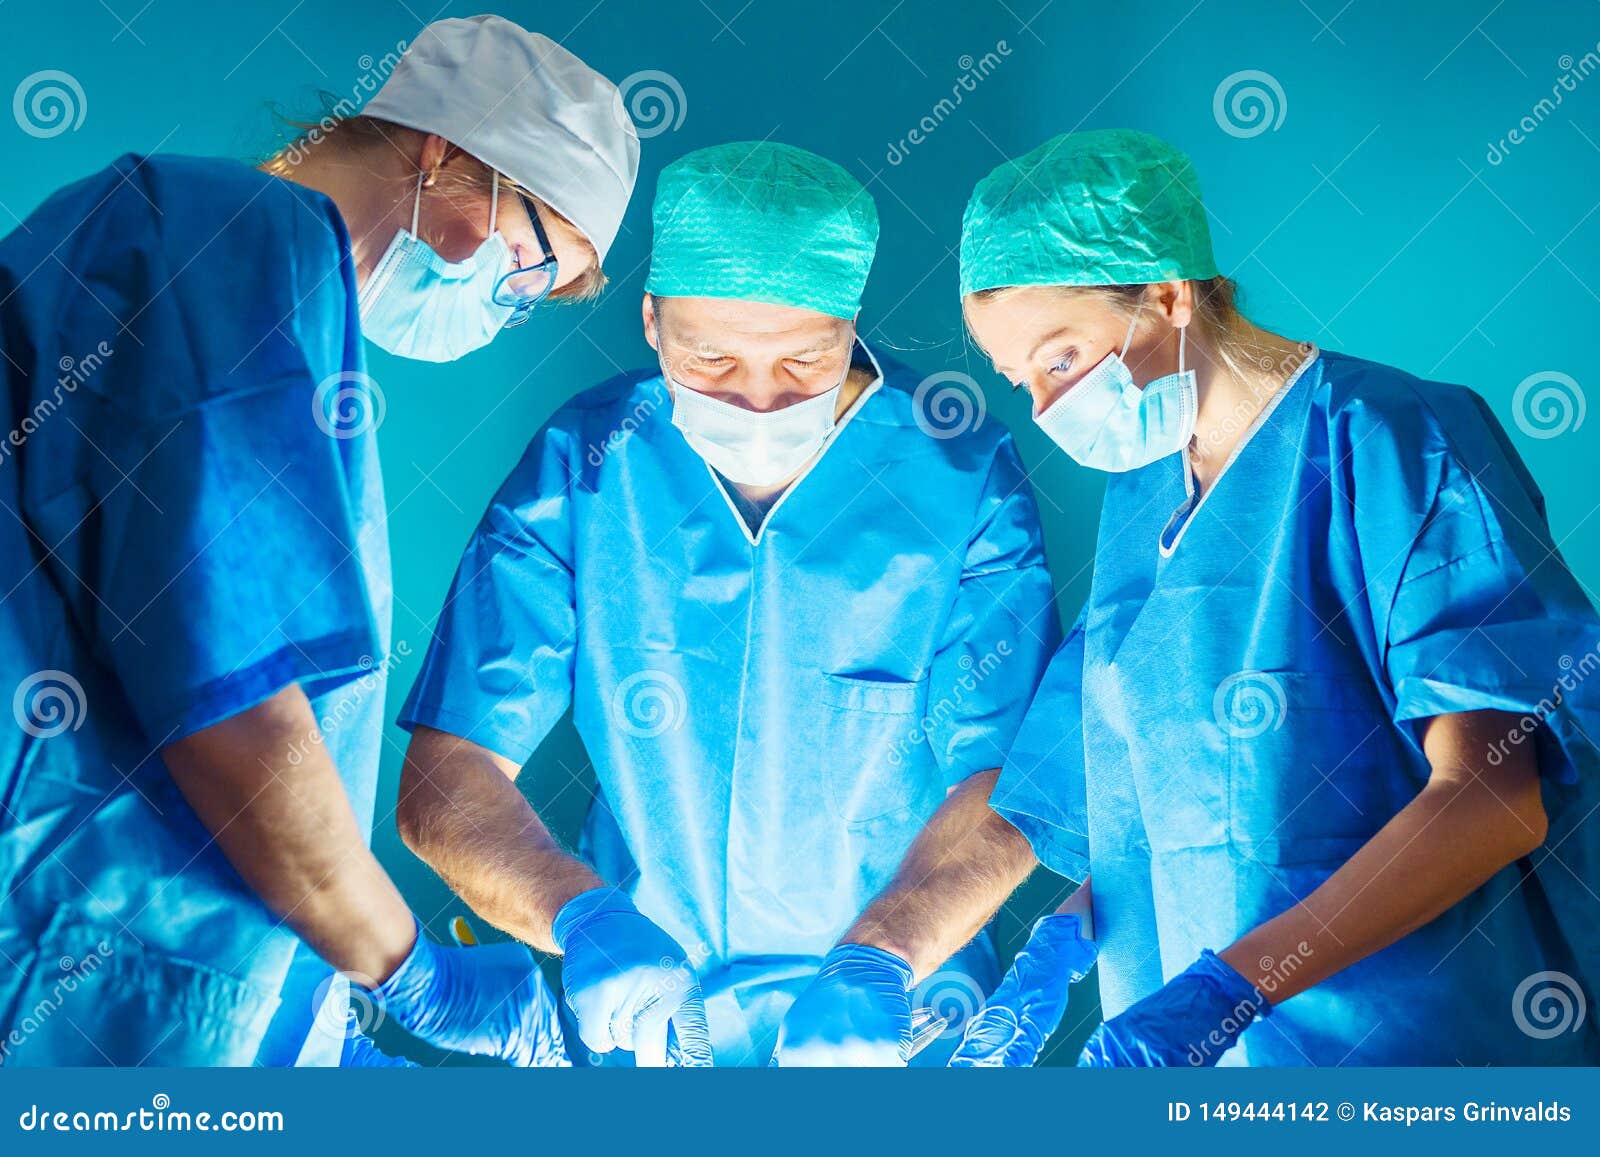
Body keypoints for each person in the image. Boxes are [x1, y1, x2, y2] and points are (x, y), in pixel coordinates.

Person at [0, 14, 639, 1067]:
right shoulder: (238, 238)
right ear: (445, 146)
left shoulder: (276, 319)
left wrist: (318, 1023)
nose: (506, 300)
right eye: (530, 263)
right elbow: (235, 714)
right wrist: (409, 971)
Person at [935, 127, 1599, 1066]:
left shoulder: (1390, 438)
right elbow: (1201, 811)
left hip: (1416, 1050)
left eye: (1061, 358)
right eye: (1021, 383)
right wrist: (1069, 935)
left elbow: (1494, 797)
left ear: (1167, 294)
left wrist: (1232, 985)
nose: (1047, 410)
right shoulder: (1144, 503)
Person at [396, 140, 1060, 1067]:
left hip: (897, 1013)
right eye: (710, 361)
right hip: (644, 1011)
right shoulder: (589, 467)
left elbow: (1011, 783)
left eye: (802, 363)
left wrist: (884, 956)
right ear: (652, 323)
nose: (756, 402)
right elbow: (445, 774)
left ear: (850, 326)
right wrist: (576, 913)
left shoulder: (959, 474)